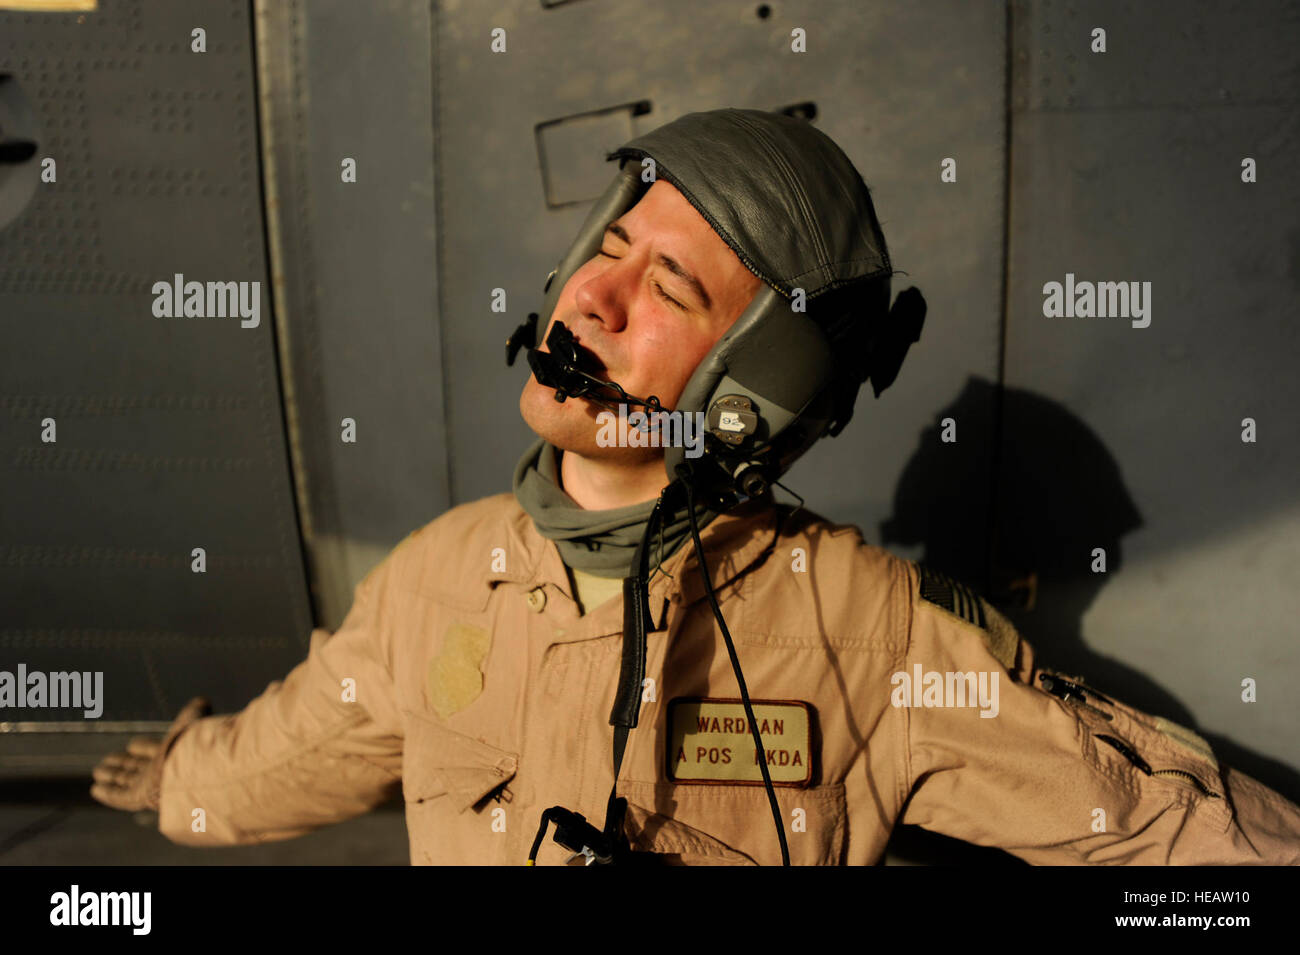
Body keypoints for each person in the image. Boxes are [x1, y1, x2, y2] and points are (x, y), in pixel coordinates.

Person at [91, 108, 1300, 865]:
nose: (589, 302)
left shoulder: (867, 628)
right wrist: (179, 789)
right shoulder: (442, 576)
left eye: (667, 291)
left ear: (749, 394)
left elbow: (1157, 827)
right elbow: (296, 750)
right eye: (604, 254)